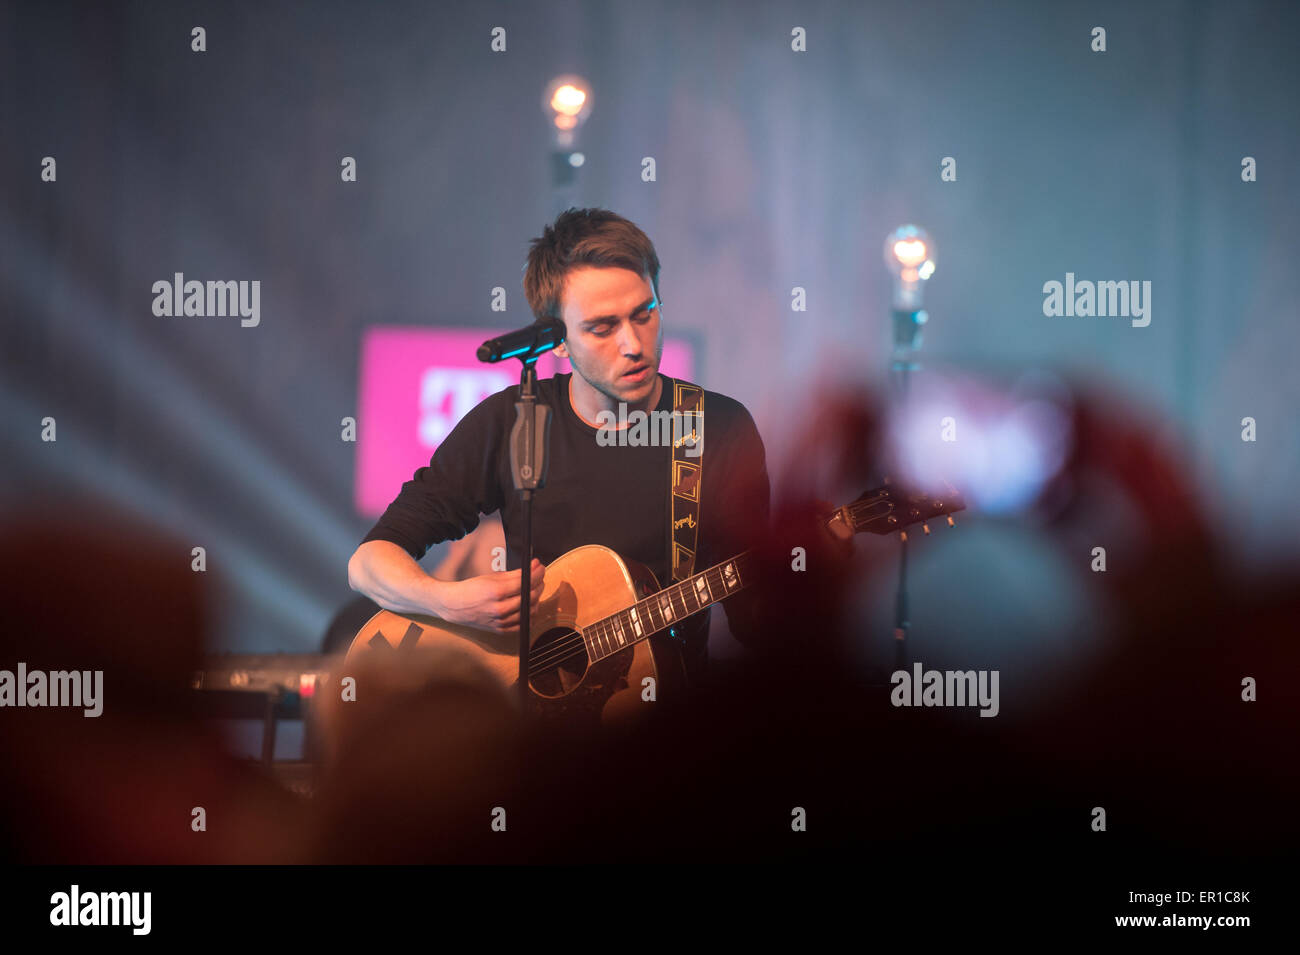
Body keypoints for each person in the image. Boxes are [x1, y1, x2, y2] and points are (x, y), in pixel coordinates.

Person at [347, 208, 770, 694]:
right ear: (559, 343)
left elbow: (753, 625)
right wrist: (448, 602)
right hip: (526, 739)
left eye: (644, 314)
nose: (633, 344)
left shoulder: (717, 429)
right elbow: (367, 563)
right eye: (602, 327)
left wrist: (807, 575)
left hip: (665, 735)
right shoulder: (514, 420)